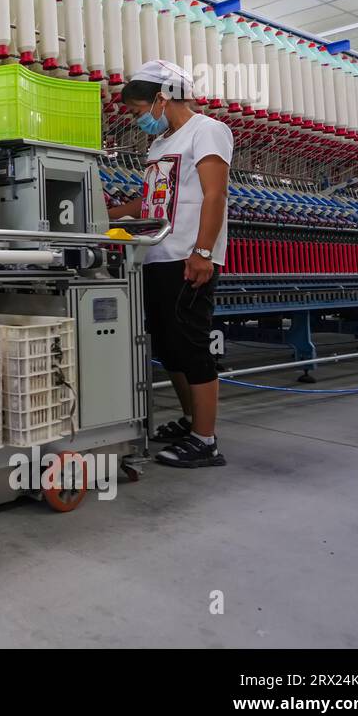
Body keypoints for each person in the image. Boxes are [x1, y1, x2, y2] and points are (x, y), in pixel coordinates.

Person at [108, 60, 232, 468]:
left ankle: (206, 440)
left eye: (139, 111)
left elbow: (215, 195)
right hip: (157, 254)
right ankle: (190, 421)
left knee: (193, 345)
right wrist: (102, 212)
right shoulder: (160, 145)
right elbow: (149, 203)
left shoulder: (208, 130)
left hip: (188, 256)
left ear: (162, 98)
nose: (138, 119)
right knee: (168, 346)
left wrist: (203, 253)